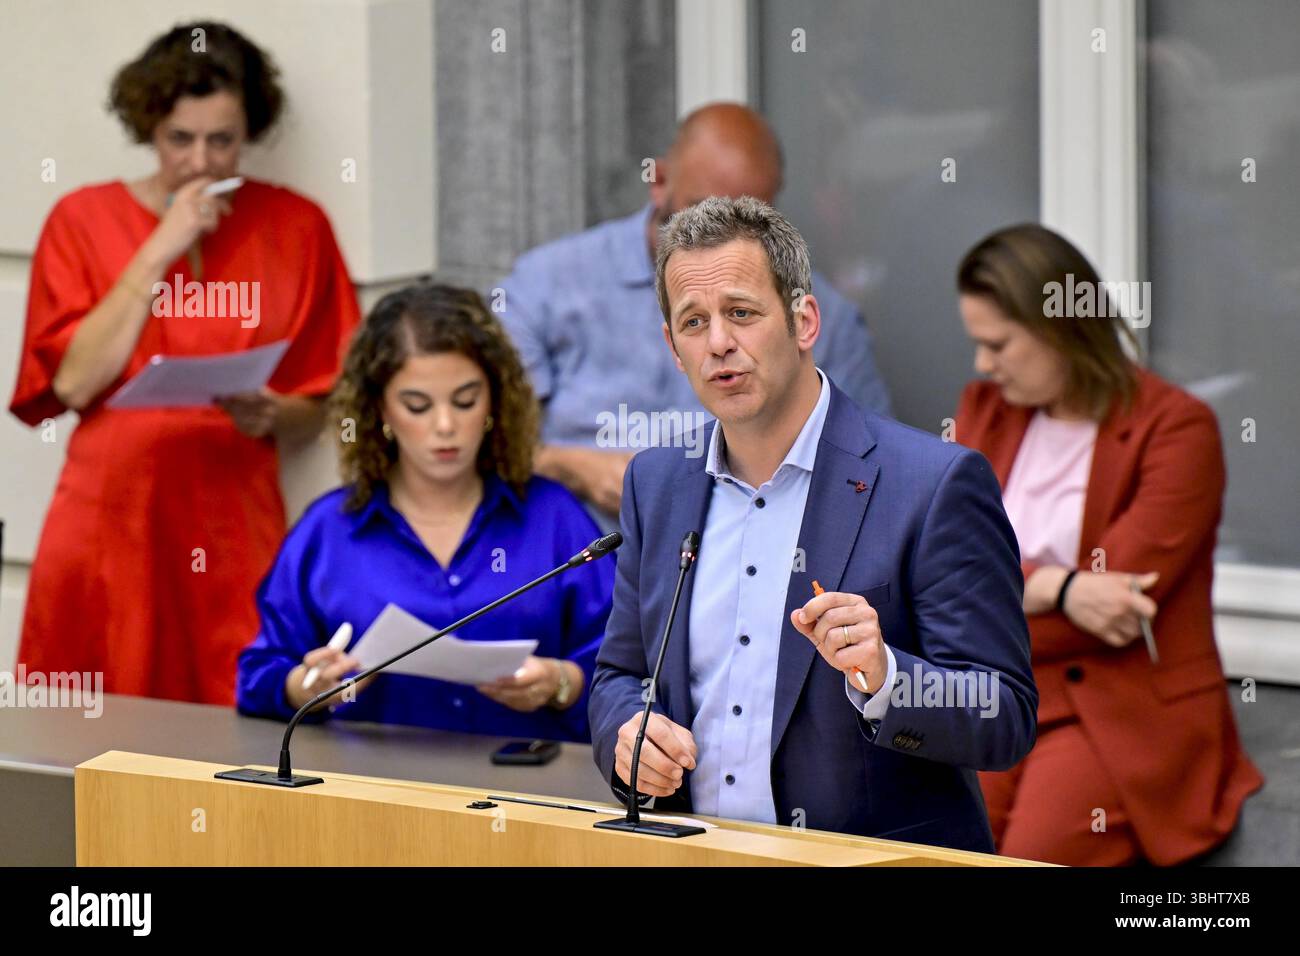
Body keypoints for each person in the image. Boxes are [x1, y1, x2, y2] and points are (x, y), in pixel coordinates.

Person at [587, 197, 1036, 851]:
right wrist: (629, 736)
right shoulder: (657, 483)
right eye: (694, 322)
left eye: (741, 313)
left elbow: (1005, 716)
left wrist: (885, 675)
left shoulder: (932, 484)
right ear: (672, 348)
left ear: (804, 321)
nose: (719, 343)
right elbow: (619, 677)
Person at [8, 22, 360, 704]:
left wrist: (276, 412)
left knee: (235, 700)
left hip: (233, 506)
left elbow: (330, 392)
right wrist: (159, 248)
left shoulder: (295, 224)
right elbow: (75, 381)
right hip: (113, 512)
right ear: (149, 129)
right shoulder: (82, 218)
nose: (201, 161)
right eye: (180, 139)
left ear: (248, 134)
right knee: (101, 712)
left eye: (220, 140)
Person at [954, 223, 1264, 865]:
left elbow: (1118, 607)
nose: (983, 363)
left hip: (1118, 703)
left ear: (1060, 328)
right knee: (946, 844)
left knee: (1033, 853)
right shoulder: (987, 407)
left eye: (998, 344)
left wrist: (983, 598)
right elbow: (943, 560)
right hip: (998, 691)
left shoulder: (1176, 428)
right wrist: (1058, 587)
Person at [237, 284, 613, 742]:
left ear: (495, 400)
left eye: (465, 400)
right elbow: (256, 678)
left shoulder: (555, 520)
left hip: (531, 796)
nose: (445, 426)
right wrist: (307, 686)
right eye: (417, 405)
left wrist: (562, 683)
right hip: (375, 799)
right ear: (381, 411)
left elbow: (631, 676)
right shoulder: (328, 531)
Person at [498, 102, 892, 527]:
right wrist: (574, 467)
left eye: (747, 220)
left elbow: (868, 469)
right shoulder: (547, 282)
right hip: (574, 561)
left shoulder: (824, 316)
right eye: (697, 213)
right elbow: (470, 435)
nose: (720, 246)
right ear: (659, 182)